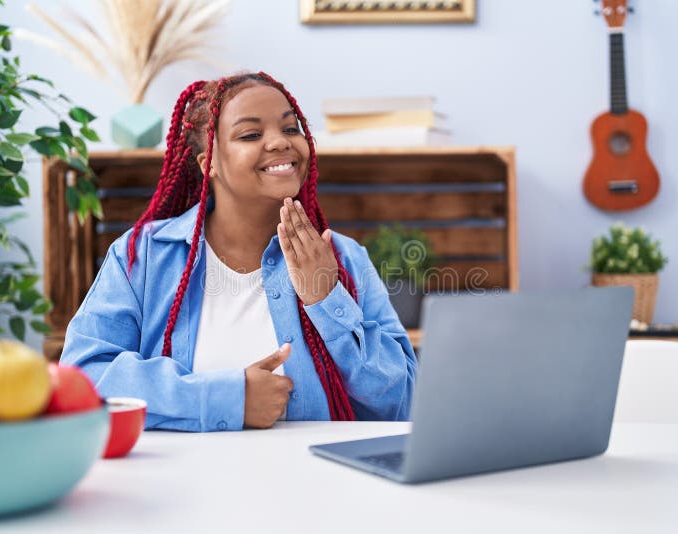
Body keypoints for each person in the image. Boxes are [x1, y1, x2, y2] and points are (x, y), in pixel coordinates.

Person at [60, 72, 417, 431]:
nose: (281, 143)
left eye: (291, 129)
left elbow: (400, 400)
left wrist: (325, 300)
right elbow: (84, 376)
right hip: (178, 484)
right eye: (251, 134)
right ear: (208, 164)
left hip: (314, 484)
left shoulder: (343, 258)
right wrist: (227, 398)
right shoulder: (143, 257)